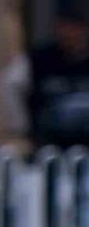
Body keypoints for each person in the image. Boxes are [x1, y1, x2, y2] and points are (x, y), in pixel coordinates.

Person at [28, 15, 89, 147]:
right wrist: (22, 129)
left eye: (74, 30)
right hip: (51, 136)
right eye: (65, 30)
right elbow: (12, 85)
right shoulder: (41, 58)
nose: (70, 35)